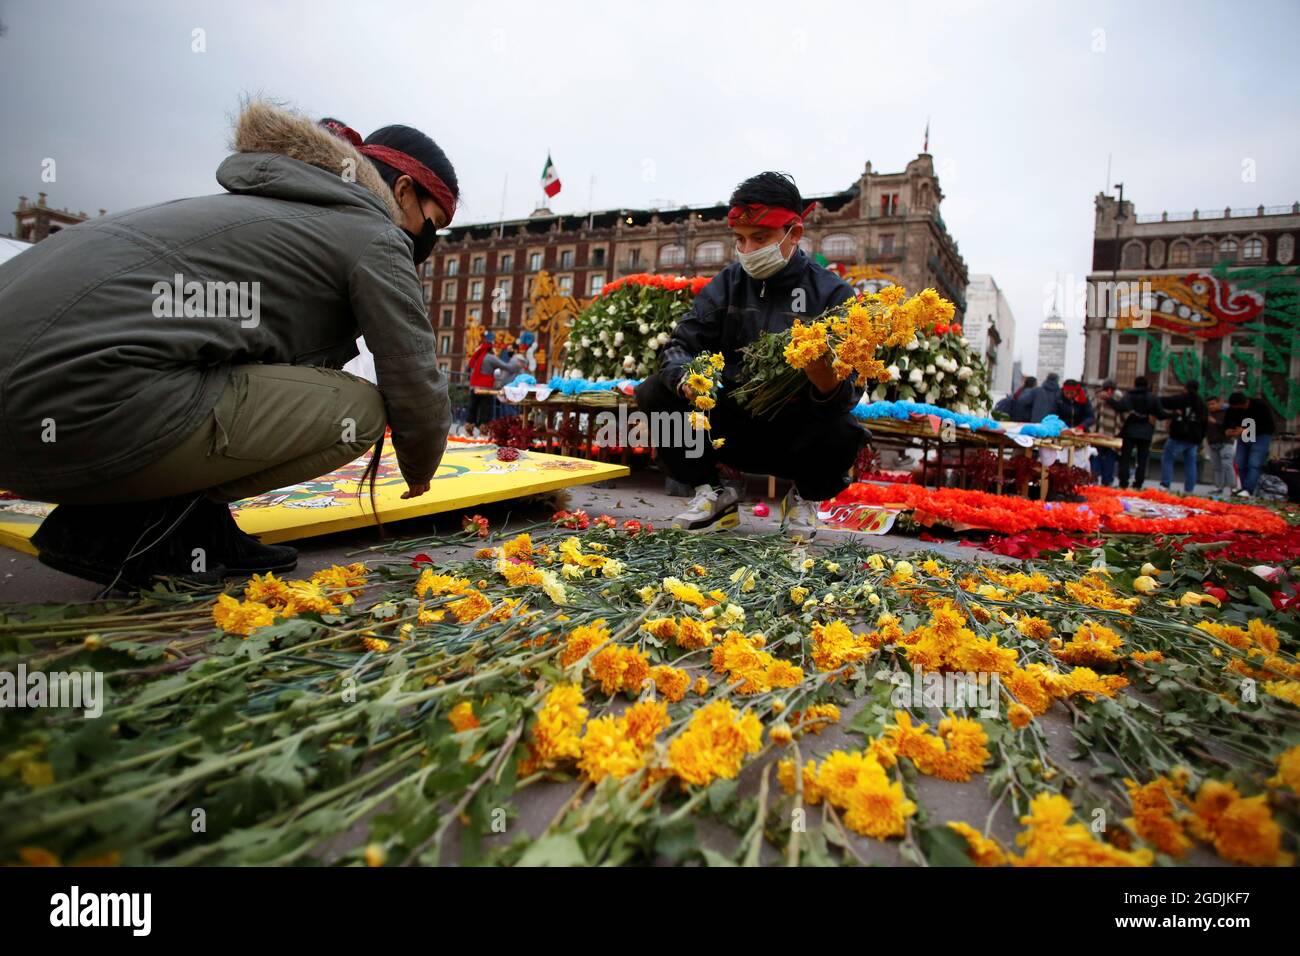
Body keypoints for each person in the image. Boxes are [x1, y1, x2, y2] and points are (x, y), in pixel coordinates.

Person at [0, 101, 458, 587]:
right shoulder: (373, 234)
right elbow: (413, 375)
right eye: (433, 223)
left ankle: (188, 527)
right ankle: (133, 531)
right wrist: (420, 466)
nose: (429, 244)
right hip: (65, 408)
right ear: (404, 192)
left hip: (29, 421)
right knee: (358, 410)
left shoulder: (261, 213)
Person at [634, 171, 867, 536]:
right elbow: (680, 344)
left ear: (795, 233)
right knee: (653, 391)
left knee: (845, 429)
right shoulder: (727, 284)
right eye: (740, 239)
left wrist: (827, 385)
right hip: (730, 425)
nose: (748, 250)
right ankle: (713, 492)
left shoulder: (833, 296)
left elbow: (850, 392)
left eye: (761, 238)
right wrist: (687, 379)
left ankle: (805, 497)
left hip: (795, 434)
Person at [1111, 376, 1166, 490]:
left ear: (1135, 384)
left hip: (1130, 431)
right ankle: (1138, 483)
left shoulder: (1129, 396)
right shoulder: (1153, 398)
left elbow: (1119, 407)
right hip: (1146, 433)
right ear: (1147, 385)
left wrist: (1108, 399)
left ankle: (1123, 482)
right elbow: (1161, 414)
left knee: (1125, 458)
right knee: (1142, 459)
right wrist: (1174, 414)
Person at [1223, 392, 1276, 497]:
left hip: (1261, 436)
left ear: (1246, 401)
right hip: (1243, 437)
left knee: (1254, 463)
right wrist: (1227, 430)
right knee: (1240, 463)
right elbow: (1227, 421)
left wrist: (1246, 430)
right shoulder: (1233, 409)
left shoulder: (1260, 406)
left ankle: (1248, 489)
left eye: (1242, 406)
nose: (1240, 409)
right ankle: (1244, 489)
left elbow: (1268, 426)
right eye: (1237, 408)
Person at [1159, 380, 1207, 493]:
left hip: (1179, 435)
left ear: (1185, 388)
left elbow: (1165, 402)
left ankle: (1165, 484)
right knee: (1191, 462)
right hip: (1194, 438)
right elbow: (1205, 422)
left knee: (1167, 457)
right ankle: (1189, 489)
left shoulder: (1182, 399)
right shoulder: (1202, 403)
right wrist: (1201, 437)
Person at [1089, 380, 1122, 486]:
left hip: (1098, 433)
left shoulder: (1096, 398)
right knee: (1108, 457)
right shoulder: (1118, 399)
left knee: (1097, 456)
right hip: (1111, 434)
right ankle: (1106, 481)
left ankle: (1094, 479)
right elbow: (1123, 415)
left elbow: (1091, 413)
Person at [1204, 396, 1235, 495]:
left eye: (1213, 404)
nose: (1211, 406)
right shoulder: (1207, 415)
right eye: (1208, 405)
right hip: (1212, 443)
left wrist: (1215, 422)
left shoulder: (1227, 414)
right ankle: (1218, 487)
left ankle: (1233, 488)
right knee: (1216, 467)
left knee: (1227, 465)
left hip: (1225, 442)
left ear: (1218, 403)